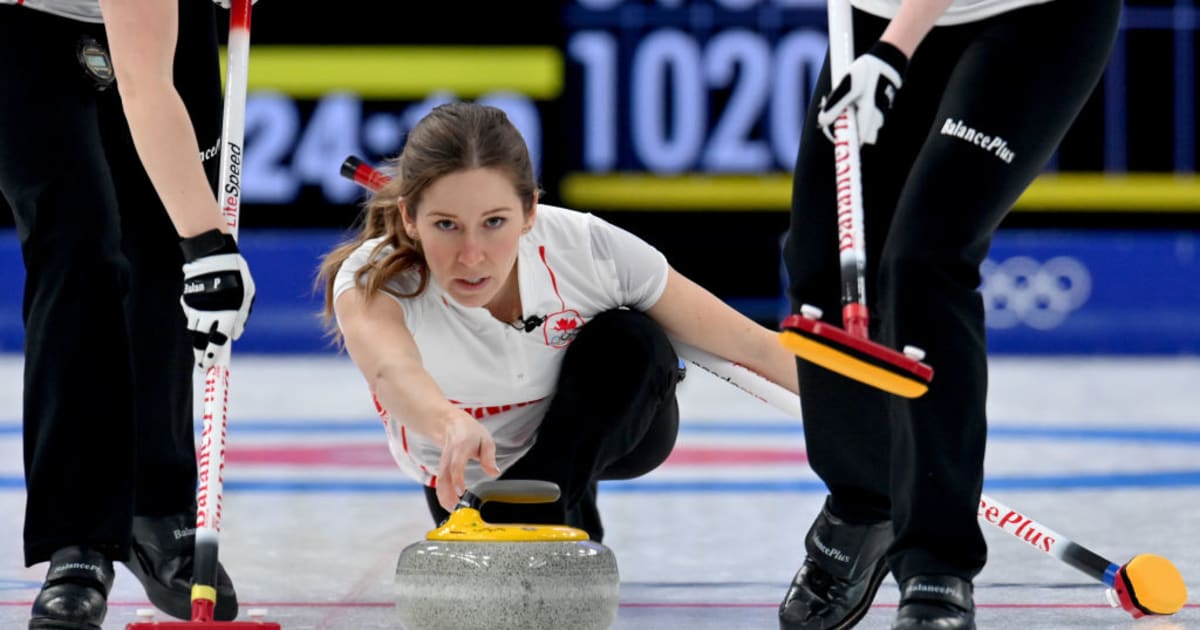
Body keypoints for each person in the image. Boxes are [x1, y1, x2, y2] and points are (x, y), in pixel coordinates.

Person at [779, 0, 1120, 628]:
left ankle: (938, 561)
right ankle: (863, 504)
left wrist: (893, 49)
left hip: (1030, 18)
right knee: (821, 266)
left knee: (923, 262)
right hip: (874, 14)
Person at [319, 101, 800, 538]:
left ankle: (545, 495)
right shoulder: (370, 280)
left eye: (494, 222)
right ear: (409, 218)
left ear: (530, 212)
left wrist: (863, 414)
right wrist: (450, 425)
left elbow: (754, 347)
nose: (471, 256)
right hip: (465, 469)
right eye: (446, 224)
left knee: (634, 338)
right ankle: (550, 502)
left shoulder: (589, 250)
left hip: (603, 432)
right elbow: (390, 369)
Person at [0, 0, 256, 627]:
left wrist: (190, 244)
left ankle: (157, 506)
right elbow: (141, 84)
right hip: (21, 22)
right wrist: (210, 248)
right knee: (77, 246)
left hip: (167, 18)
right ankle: (78, 541)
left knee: (158, 238)